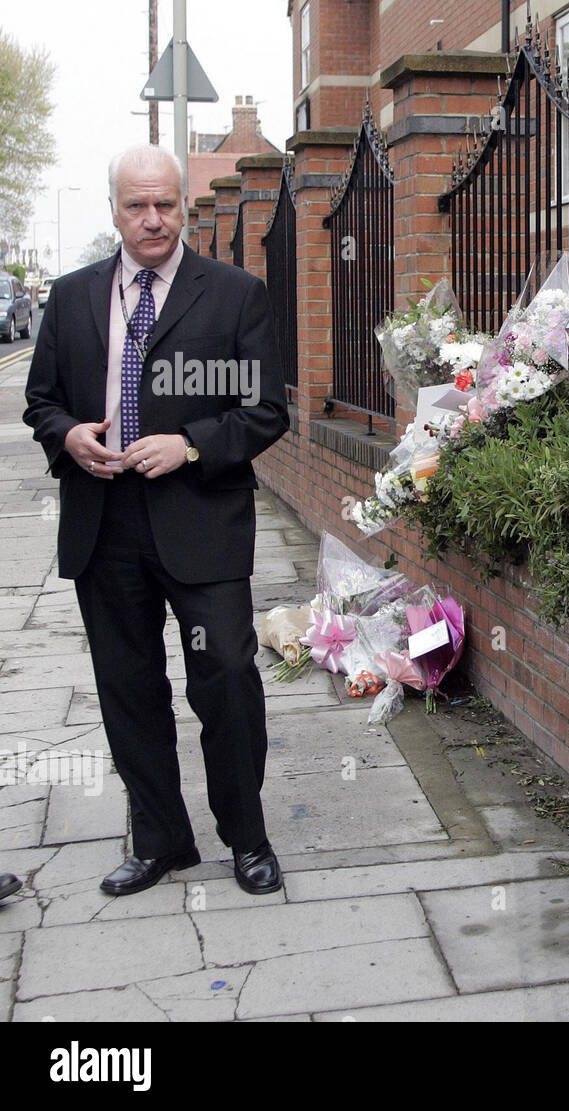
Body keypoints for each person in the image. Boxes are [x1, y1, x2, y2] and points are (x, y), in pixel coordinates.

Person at [23, 144, 290, 896]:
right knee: (128, 686)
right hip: (103, 525)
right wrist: (68, 434)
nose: (153, 219)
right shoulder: (72, 297)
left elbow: (267, 410)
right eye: (137, 205)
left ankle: (246, 836)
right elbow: (40, 400)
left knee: (228, 679)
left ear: (181, 206)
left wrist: (191, 444)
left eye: (166, 204)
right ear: (114, 210)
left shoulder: (235, 294)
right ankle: (161, 838)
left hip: (200, 522)